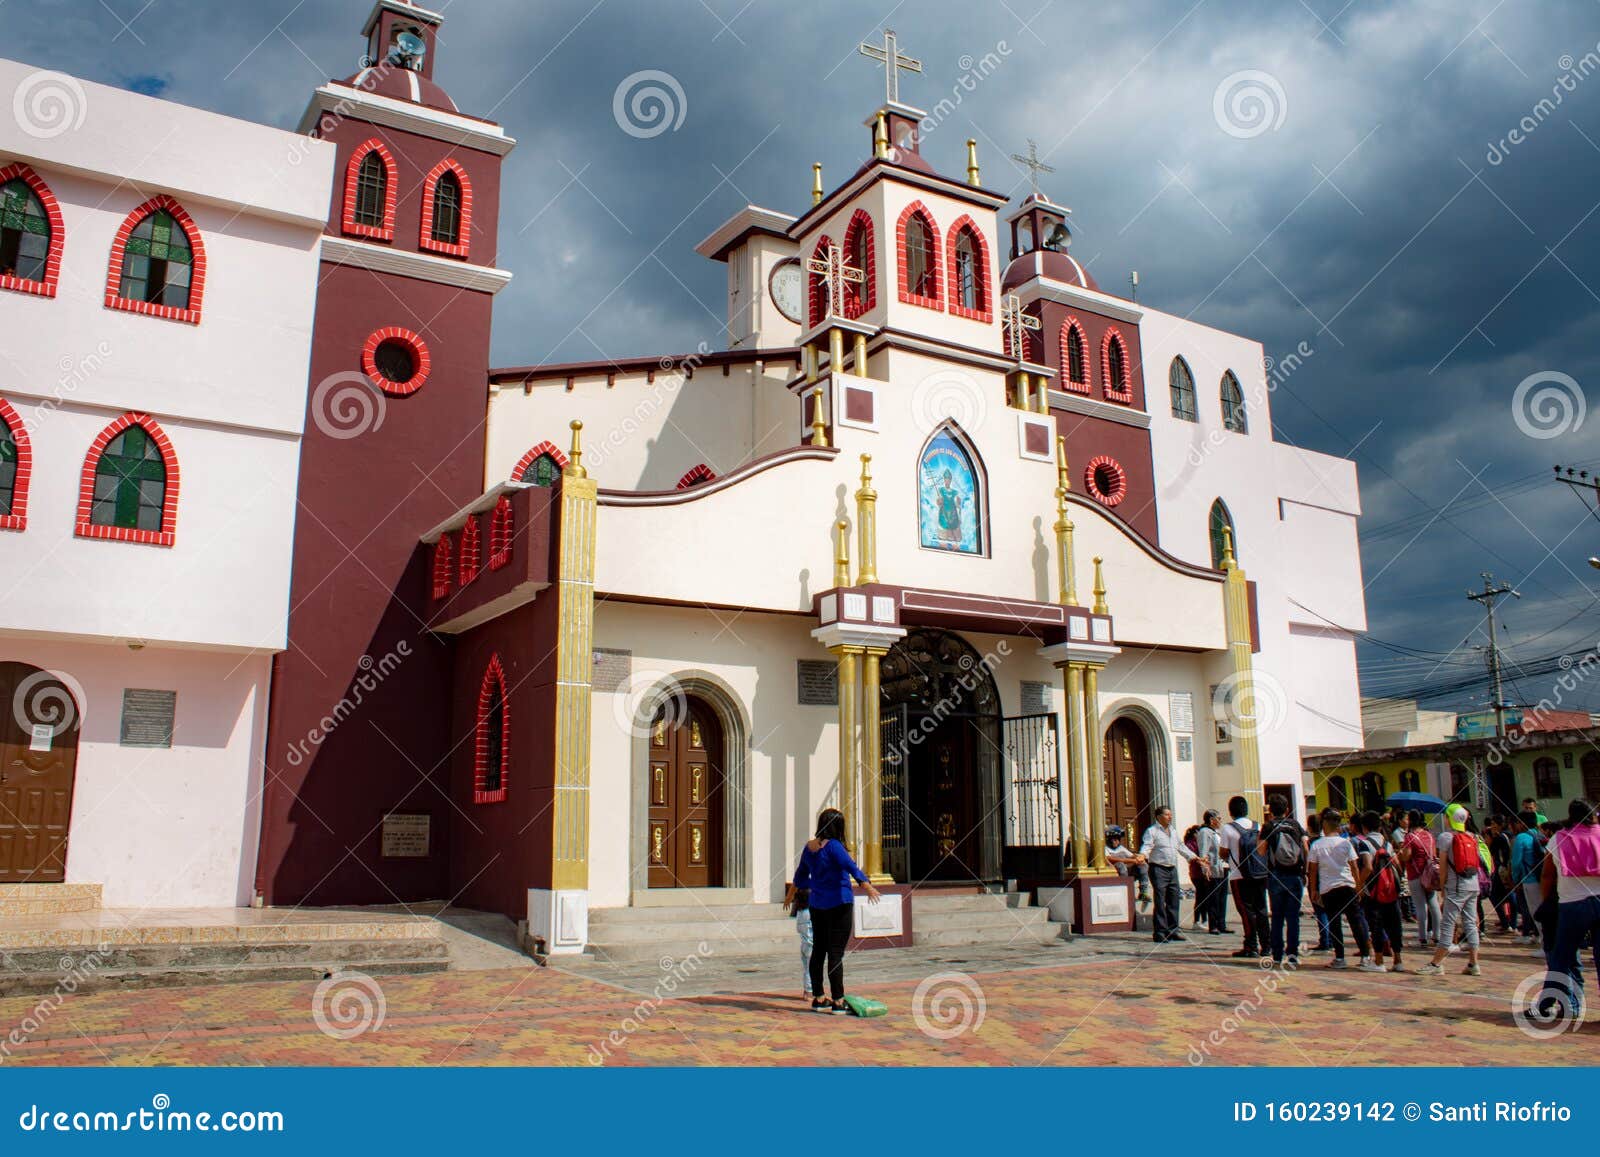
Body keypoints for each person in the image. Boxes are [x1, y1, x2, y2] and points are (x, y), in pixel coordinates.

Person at [792, 808, 881, 1013]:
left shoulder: (809, 847)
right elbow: (850, 866)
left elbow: (800, 876)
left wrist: (810, 887)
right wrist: (866, 885)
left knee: (818, 950)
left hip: (817, 904)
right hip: (839, 903)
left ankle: (819, 997)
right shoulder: (834, 847)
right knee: (835, 953)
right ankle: (839, 1001)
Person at [1540, 798, 1600, 1020]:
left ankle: (1549, 1003)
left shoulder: (1559, 837)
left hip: (1571, 904)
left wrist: (1547, 901)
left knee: (1561, 957)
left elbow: (1547, 874)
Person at [1307, 807, 1383, 971]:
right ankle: (1365, 956)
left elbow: (1312, 870)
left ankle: (1340, 957)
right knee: (1356, 921)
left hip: (1328, 888)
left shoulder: (1317, 845)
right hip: (1347, 885)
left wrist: (1313, 890)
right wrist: (1358, 886)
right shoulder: (1345, 843)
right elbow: (1354, 866)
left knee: (1334, 923)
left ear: (1324, 825)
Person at [1417, 803, 1483, 977]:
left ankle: (1436, 963)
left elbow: (1444, 865)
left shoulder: (1446, 837)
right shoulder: (1472, 836)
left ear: (1450, 818)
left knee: (1448, 924)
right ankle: (1473, 963)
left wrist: (1443, 886)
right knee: (1470, 923)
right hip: (1473, 884)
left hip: (1456, 886)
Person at [1257, 794, 1308, 965]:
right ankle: (1293, 954)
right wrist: (1305, 871)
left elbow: (1261, 851)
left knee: (1277, 917)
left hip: (1276, 875)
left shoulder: (1268, 826)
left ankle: (1277, 954)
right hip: (1295, 875)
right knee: (1293, 917)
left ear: (1270, 810)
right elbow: (1306, 848)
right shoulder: (1295, 825)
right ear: (1287, 809)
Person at [1354, 810, 1405, 972]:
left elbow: (1368, 866)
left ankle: (1379, 961)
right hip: (1390, 890)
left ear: (1364, 827)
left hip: (1374, 890)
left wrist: (1359, 885)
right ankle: (1398, 960)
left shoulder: (1365, 844)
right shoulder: (1387, 843)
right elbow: (1397, 864)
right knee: (1394, 923)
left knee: (1376, 924)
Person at [1140, 805, 1200, 943]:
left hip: (1172, 869)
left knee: (1173, 900)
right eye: (1167, 815)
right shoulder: (1152, 831)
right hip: (1158, 868)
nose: (1170, 817)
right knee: (1160, 901)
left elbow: (1181, 846)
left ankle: (1173, 930)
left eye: (1170, 814)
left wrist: (1195, 858)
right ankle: (1160, 932)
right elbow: (1147, 845)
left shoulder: (1172, 830)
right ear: (1159, 817)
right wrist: (1142, 855)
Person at [1221, 794, 1268, 958]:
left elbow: (1223, 852)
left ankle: (1251, 945)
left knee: (1246, 911)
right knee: (1261, 909)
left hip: (1239, 875)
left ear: (1231, 811)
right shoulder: (1258, 826)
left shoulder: (1228, 828)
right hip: (1260, 873)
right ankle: (1266, 945)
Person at [1401, 809, 1440, 949]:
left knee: (1420, 906)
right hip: (1430, 874)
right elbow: (1434, 854)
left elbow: (1406, 856)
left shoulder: (1410, 837)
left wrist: (1401, 851)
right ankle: (1437, 935)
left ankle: (1422, 937)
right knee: (1434, 904)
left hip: (1415, 875)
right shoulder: (1429, 835)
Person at [1511, 809, 1546, 946]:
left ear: (1521, 823)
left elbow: (1516, 862)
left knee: (1535, 911)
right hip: (1543, 877)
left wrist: (1515, 879)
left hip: (1529, 879)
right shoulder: (1539, 835)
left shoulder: (1521, 838)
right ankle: (1539, 937)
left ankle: (1545, 944)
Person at [1195, 810, 1228, 934]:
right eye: (1219, 818)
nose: (1220, 820)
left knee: (1222, 897)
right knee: (1213, 898)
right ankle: (1213, 925)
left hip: (1223, 867)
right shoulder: (1204, 832)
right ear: (1211, 820)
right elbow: (1203, 851)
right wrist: (1205, 868)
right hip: (1213, 869)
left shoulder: (1217, 832)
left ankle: (1221, 924)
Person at [782, 875, 813, 1000]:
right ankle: (809, 988)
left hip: (816, 910)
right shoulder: (808, 867)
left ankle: (811, 988)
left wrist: (789, 898)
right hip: (807, 910)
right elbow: (795, 883)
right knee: (809, 950)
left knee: (811, 950)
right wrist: (789, 898)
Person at [1105, 825, 1151, 908]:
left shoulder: (1121, 848)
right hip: (1116, 873)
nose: (1116, 841)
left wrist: (1139, 858)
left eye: (1118, 839)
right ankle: (1126, 891)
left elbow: (1131, 856)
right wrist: (1132, 861)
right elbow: (1111, 859)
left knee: (1143, 865)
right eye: (1114, 839)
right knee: (1121, 865)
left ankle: (1143, 892)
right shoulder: (1106, 848)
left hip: (1127, 872)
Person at [1486, 814, 1515, 933]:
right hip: (1508, 868)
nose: (1492, 826)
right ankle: (1511, 923)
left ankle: (1506, 922)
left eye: (1493, 824)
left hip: (1501, 870)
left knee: (1494, 895)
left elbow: (1491, 851)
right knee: (1510, 895)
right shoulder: (1510, 835)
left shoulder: (1499, 838)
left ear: (1499, 824)